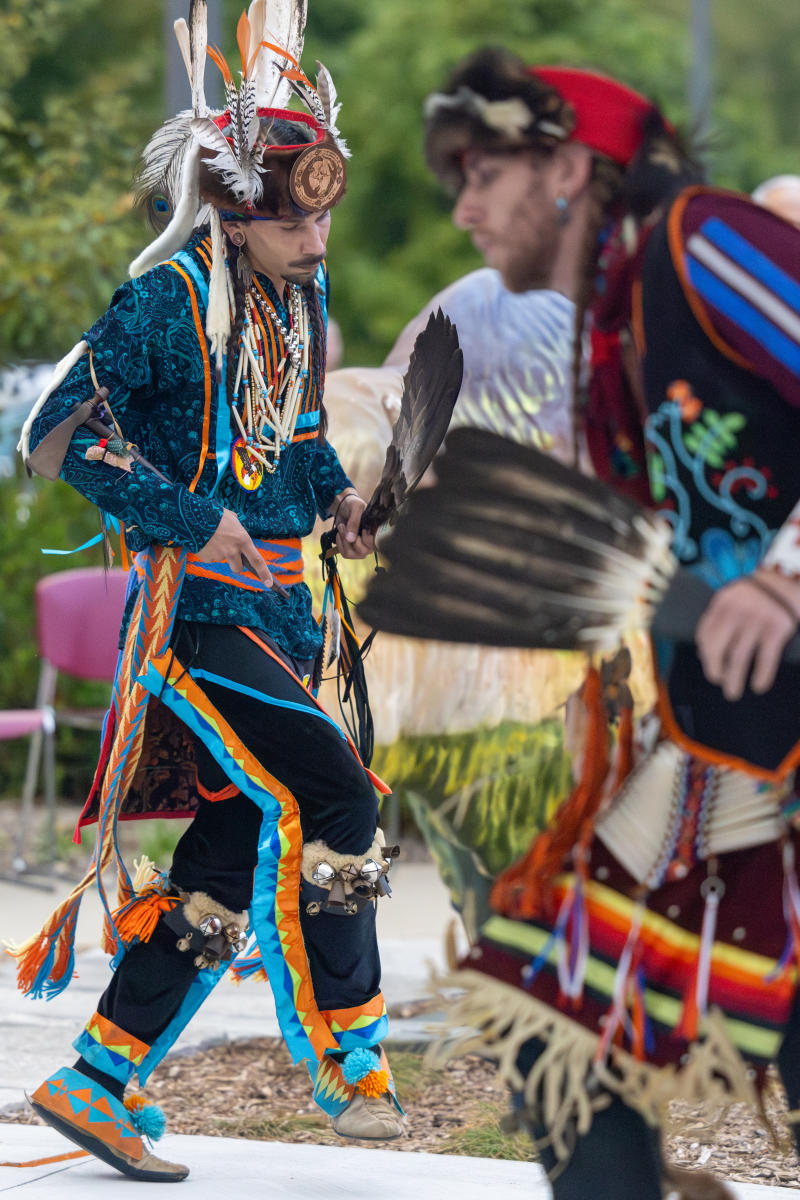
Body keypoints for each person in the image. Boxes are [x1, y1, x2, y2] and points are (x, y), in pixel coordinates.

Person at [13, 5, 404, 1182]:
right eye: (294, 219)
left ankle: (98, 1078)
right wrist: (191, 519)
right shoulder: (163, 303)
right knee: (335, 790)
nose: (316, 238)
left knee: (231, 847)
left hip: (284, 611)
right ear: (235, 212)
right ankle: (352, 1058)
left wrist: (341, 500)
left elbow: (292, 445)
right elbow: (54, 429)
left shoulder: (297, 303)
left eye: (323, 216)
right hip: (193, 612)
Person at [413, 49, 800, 1199]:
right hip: (733, 751)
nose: (464, 210)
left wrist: (783, 575)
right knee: (548, 1007)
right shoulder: (608, 336)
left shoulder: (702, 243)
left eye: (483, 175)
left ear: (569, 169)